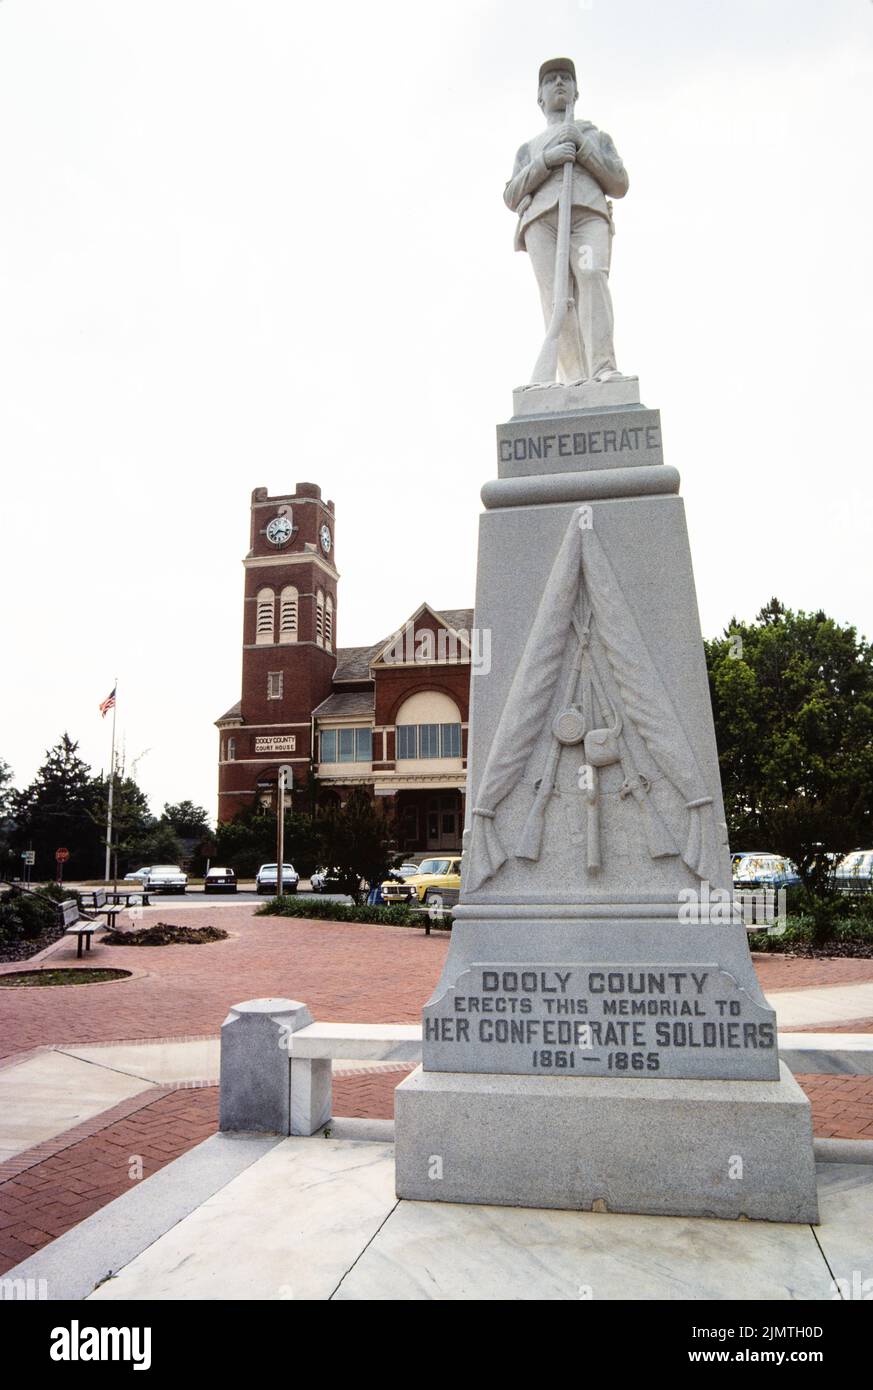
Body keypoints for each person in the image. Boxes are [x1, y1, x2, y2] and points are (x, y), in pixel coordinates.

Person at [505, 57, 629, 384]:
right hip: (542, 224)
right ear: (540, 98)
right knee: (556, 299)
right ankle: (574, 377)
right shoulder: (528, 149)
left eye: (565, 78)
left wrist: (583, 147)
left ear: (576, 91)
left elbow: (619, 182)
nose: (559, 83)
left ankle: (602, 368)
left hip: (587, 216)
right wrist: (547, 160)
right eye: (550, 80)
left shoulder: (594, 135)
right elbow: (511, 194)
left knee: (591, 278)